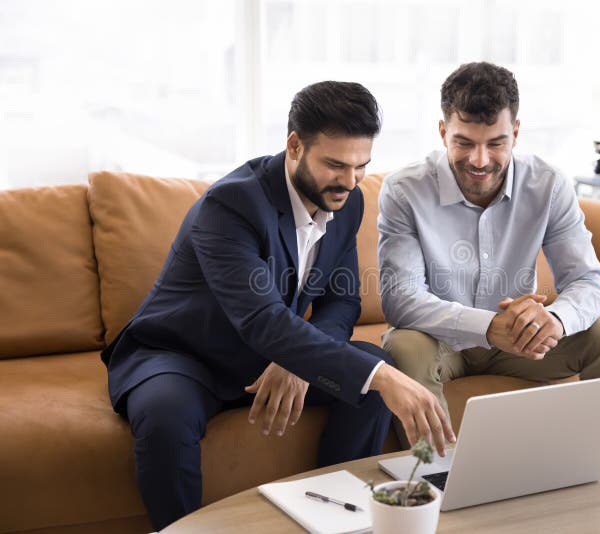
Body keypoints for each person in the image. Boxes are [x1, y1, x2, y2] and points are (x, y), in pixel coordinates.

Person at [102, 81, 454, 530]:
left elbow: (342, 301)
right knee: (165, 417)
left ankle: (335, 515)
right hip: (181, 356)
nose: (349, 181)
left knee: (369, 376)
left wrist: (300, 361)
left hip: (267, 350)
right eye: (335, 165)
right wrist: (364, 373)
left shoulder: (349, 201)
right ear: (294, 146)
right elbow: (262, 319)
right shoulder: (231, 204)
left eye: (361, 165)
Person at [378, 62, 600, 446]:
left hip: (520, 343)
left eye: (496, 143)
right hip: (442, 342)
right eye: (464, 142)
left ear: (515, 133)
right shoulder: (404, 191)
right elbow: (401, 301)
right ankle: (435, 478)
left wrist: (556, 320)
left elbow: (588, 281)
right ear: (442, 131)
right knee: (404, 345)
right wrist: (486, 326)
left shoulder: (548, 185)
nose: (479, 160)